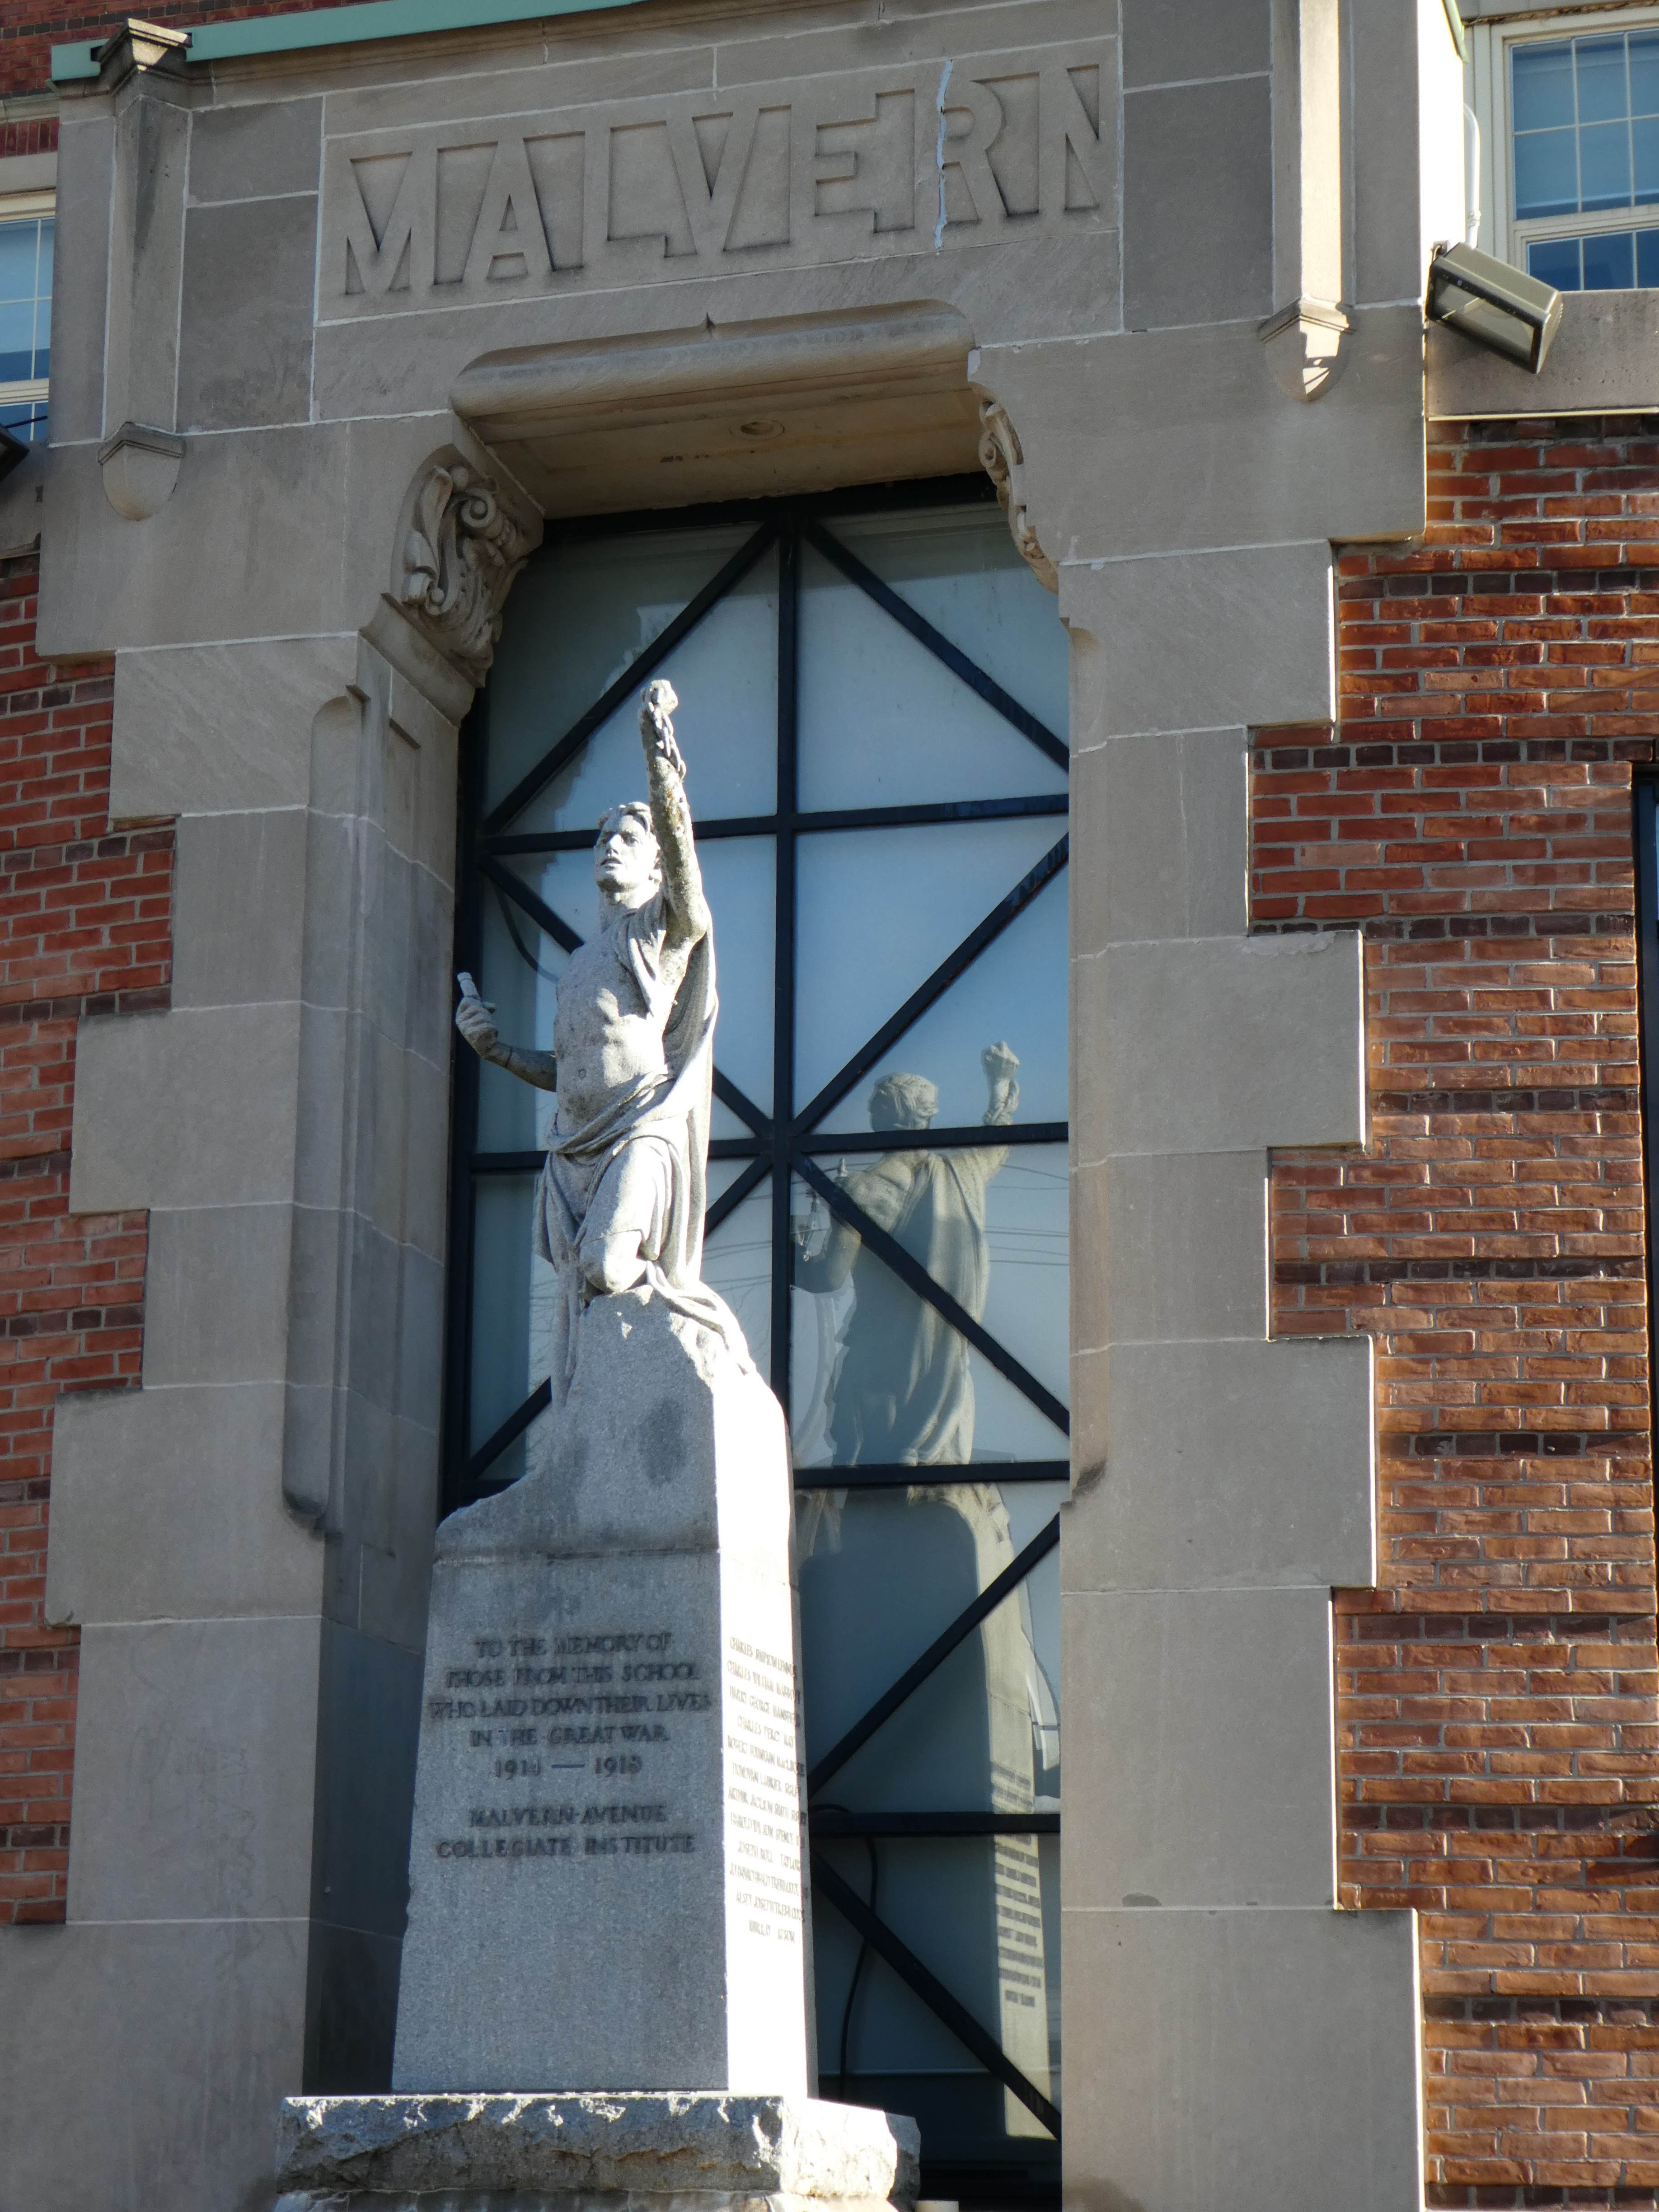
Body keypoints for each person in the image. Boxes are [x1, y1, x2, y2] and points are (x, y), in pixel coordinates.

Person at [454, 678, 745, 1409]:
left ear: (652, 865)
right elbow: (571, 1068)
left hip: (640, 1127)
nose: (609, 847)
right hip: (574, 1141)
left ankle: (699, 1344)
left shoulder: (657, 934)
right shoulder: (582, 959)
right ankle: (622, 1406)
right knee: (585, 1291)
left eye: (627, 838)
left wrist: (660, 767)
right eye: (601, 838)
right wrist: (495, 1051)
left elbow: (687, 871)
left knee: (610, 1264)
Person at [793, 1042, 1019, 1466]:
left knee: (866, 1487)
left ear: (884, 1118)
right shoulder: (957, 1176)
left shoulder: (861, 1190)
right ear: (926, 1117)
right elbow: (995, 1149)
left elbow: (829, 1277)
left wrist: (789, 1257)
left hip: (876, 1368)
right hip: (940, 1375)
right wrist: (1000, 1089)